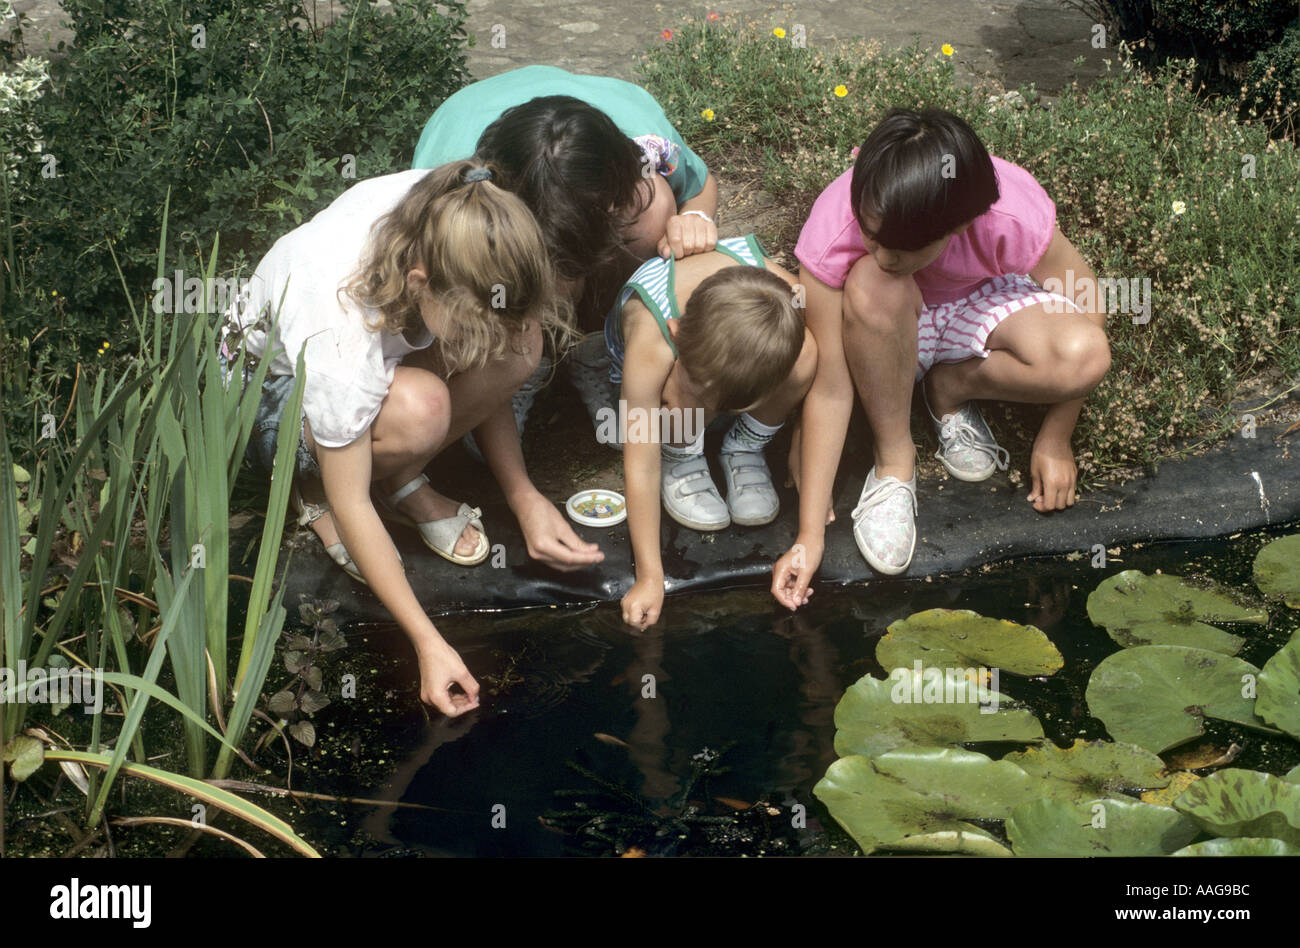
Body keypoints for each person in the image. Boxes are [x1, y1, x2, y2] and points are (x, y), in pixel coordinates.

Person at [221, 159, 603, 717]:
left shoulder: (460, 208)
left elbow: (498, 345)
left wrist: (525, 497)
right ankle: (314, 486)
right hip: (261, 396)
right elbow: (355, 502)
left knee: (522, 341)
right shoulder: (338, 328)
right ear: (421, 285)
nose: (484, 340)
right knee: (420, 410)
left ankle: (400, 475)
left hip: (378, 348)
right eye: (474, 324)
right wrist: (427, 642)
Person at [772, 108, 1111, 608]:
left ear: (963, 223)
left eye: (907, 249)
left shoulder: (1007, 211)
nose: (887, 254)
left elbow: (1086, 299)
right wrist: (809, 535)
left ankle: (950, 387)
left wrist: (1058, 435)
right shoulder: (836, 223)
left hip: (981, 302)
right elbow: (830, 385)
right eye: (873, 237)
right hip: (884, 324)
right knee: (873, 281)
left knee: (1085, 355)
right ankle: (894, 462)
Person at [605, 235, 817, 629]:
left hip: (709, 364)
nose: (717, 411)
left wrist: (803, 440)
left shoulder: (786, 297)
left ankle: (743, 447)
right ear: (677, 330)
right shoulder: (656, 337)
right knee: (681, 399)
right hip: (659, 363)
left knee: (806, 354)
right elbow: (639, 461)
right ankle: (682, 451)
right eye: (716, 405)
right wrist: (651, 575)